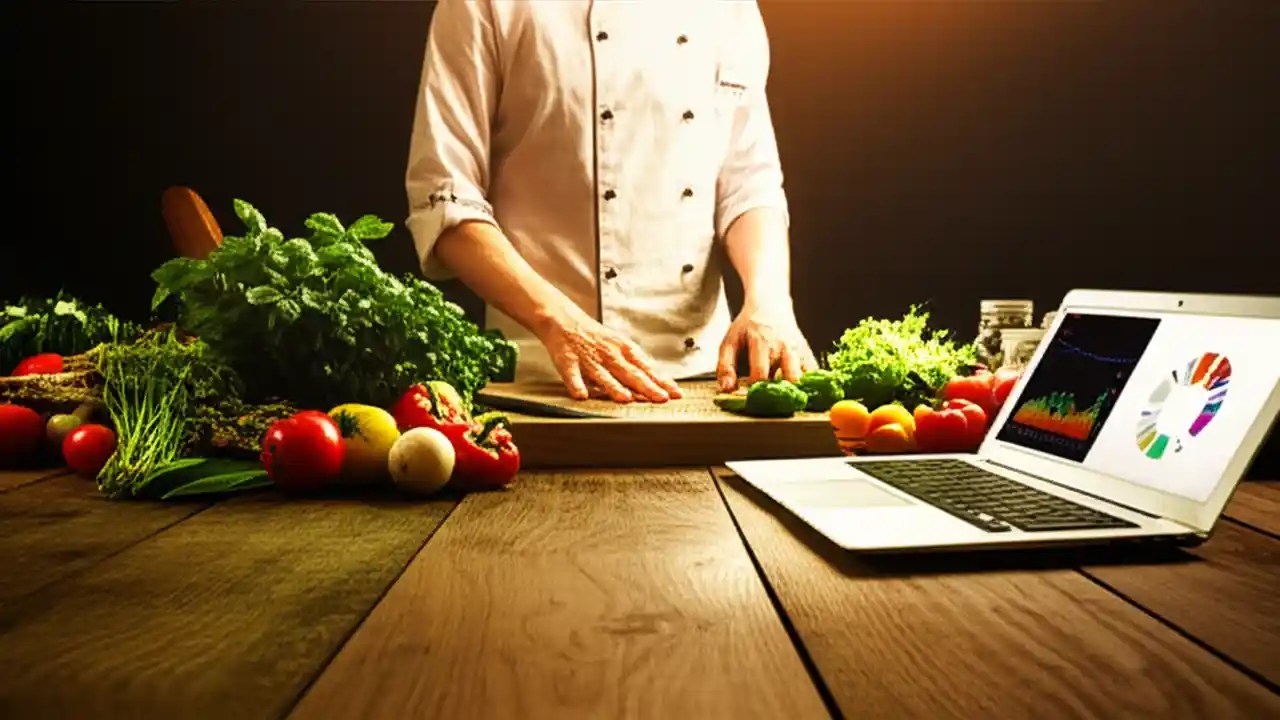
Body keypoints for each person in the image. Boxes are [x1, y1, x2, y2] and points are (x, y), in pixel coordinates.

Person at [405, 0, 816, 404]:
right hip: (545, 381)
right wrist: (561, 324)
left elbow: (748, 183)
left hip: (705, 381)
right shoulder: (482, 6)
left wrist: (769, 301)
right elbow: (445, 202)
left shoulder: (728, 8)